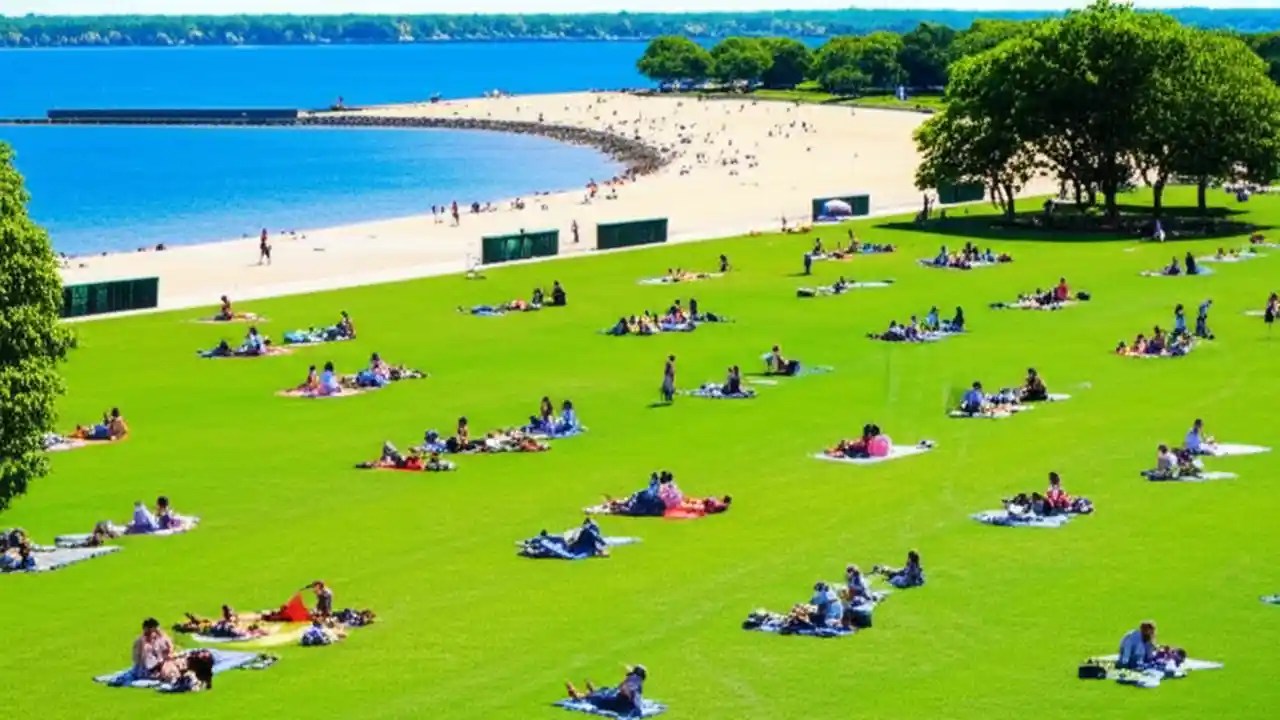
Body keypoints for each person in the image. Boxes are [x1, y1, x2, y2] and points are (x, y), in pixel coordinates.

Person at [565, 665, 648, 716]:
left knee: (598, 699)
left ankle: (578, 696)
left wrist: (626, 680)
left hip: (621, 705)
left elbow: (623, 689)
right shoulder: (637, 683)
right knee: (608, 692)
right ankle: (593, 692)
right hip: (626, 704)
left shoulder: (632, 683)